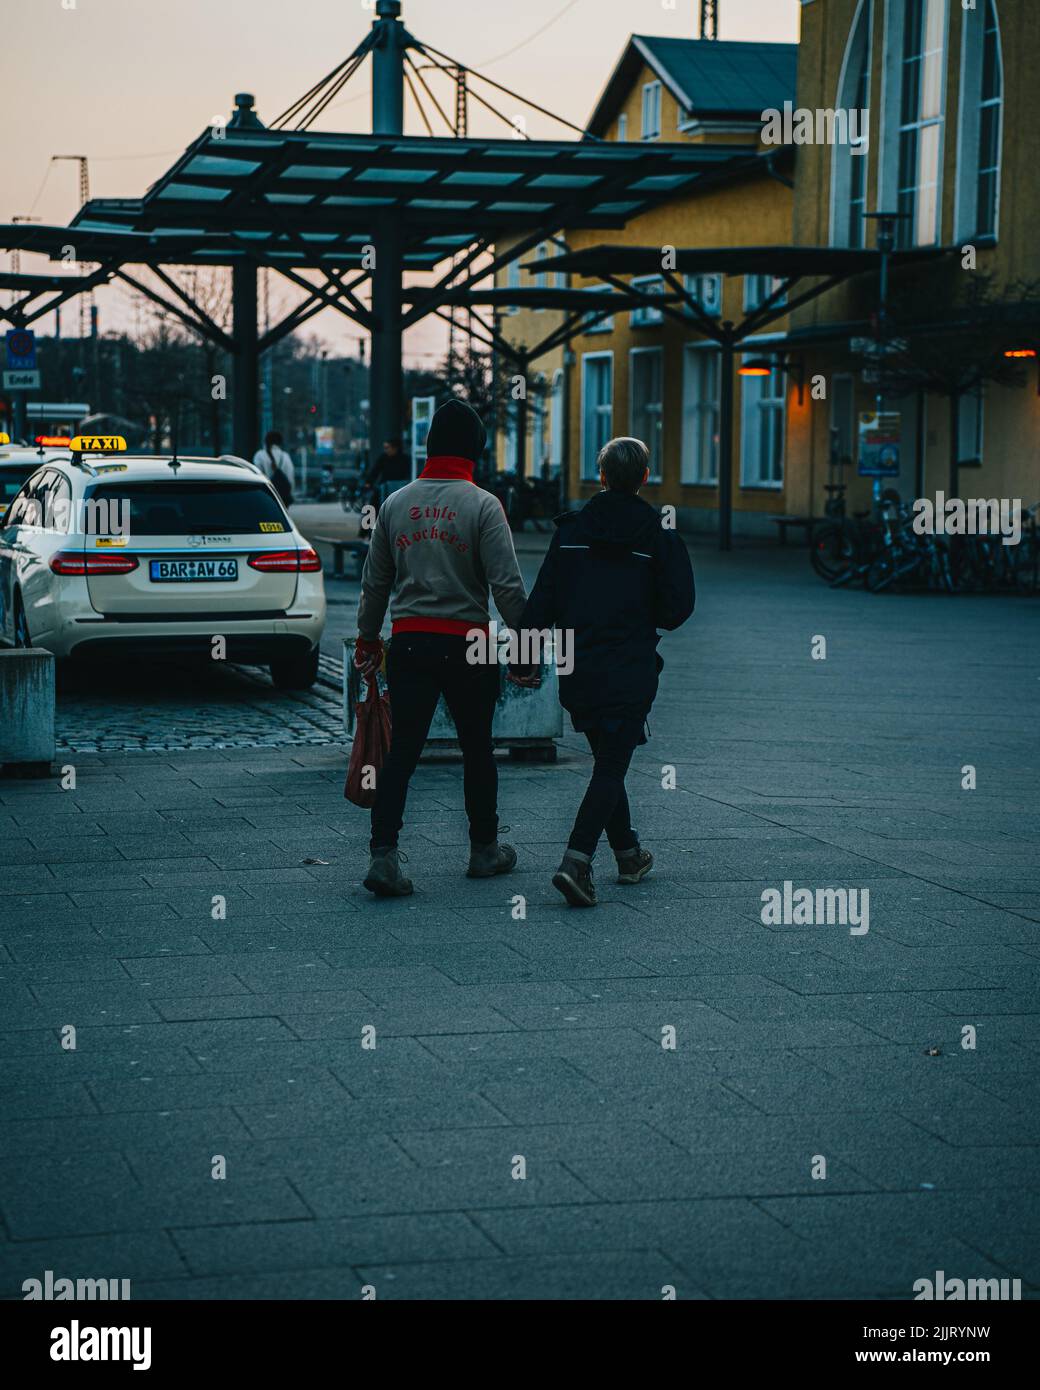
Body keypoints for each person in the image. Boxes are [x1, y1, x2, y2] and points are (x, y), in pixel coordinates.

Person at [354, 399, 527, 897]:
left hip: (409, 643)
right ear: (475, 450)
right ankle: (483, 850)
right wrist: (526, 643)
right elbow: (507, 588)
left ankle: (384, 855)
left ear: (429, 446)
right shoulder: (483, 505)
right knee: (477, 749)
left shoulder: (396, 504)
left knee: (403, 749)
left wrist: (368, 638)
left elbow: (375, 585)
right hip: (468, 645)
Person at [515, 437, 695, 907]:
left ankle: (629, 854)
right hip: (631, 665)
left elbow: (542, 601)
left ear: (601, 477)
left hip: (580, 666)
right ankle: (576, 860)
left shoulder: (571, 532)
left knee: (606, 763)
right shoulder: (659, 537)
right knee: (612, 765)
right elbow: (678, 608)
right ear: (643, 478)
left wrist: (523, 657)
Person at [253, 431, 295, 507]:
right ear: (280, 443)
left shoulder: (259, 455)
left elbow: (257, 478)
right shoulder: (285, 456)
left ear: (265, 441)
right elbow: (290, 479)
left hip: (266, 497)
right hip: (283, 499)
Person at [365, 437, 410, 505]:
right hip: (385, 486)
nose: (385, 450)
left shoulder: (404, 459)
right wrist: (369, 482)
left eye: (387, 448)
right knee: (375, 502)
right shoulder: (384, 458)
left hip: (399, 487)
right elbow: (375, 470)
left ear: (395, 448)